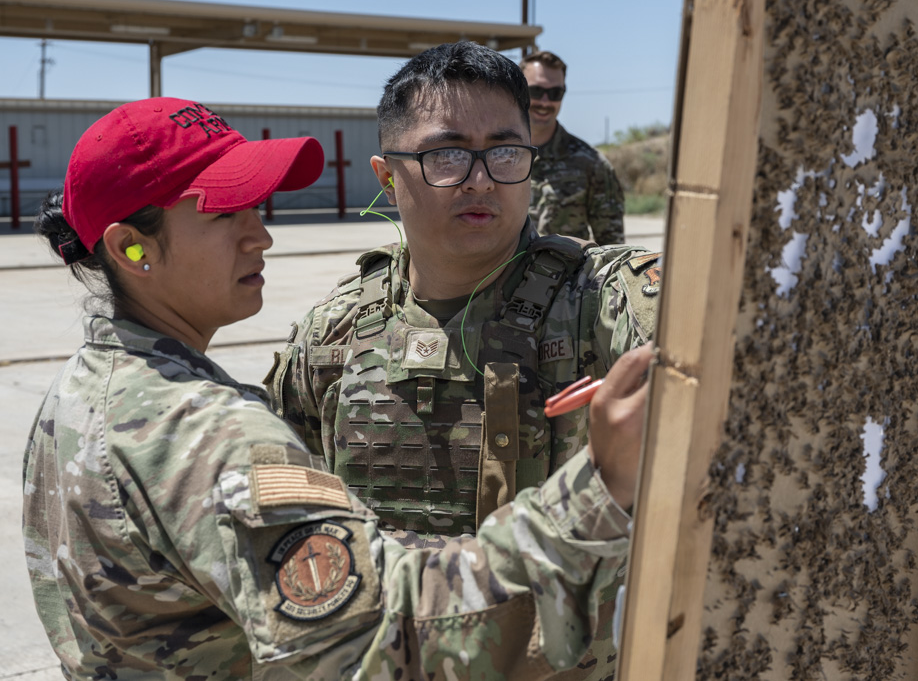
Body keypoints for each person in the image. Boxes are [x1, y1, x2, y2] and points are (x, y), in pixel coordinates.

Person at [22, 96, 653, 679]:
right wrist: (599, 493)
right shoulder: (206, 433)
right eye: (226, 213)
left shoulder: (80, 395)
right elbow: (383, 640)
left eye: (256, 207)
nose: (260, 235)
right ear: (132, 250)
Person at [269, 42, 661, 679]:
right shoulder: (333, 333)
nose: (480, 179)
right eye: (446, 154)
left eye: (505, 151)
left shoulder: (599, 297)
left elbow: (698, 319)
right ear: (387, 174)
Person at [519, 50, 625, 245]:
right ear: (519, 89)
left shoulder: (591, 164)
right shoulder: (494, 155)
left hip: (563, 275)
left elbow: (612, 249)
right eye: (536, 91)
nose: (545, 102)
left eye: (555, 93)